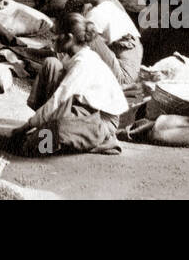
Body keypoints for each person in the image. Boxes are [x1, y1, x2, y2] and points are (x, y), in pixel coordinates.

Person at [9, 12, 125, 156]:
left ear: (69, 38)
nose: (52, 39)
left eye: (56, 35)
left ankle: (103, 140)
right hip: (85, 108)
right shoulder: (75, 55)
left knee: (35, 144)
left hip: (101, 120)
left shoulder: (83, 64)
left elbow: (58, 99)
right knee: (51, 64)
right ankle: (49, 126)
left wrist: (26, 126)